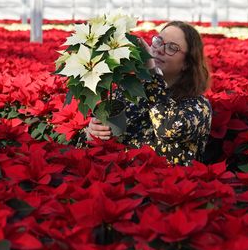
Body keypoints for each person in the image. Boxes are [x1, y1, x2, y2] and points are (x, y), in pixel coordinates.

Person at [84, 20, 212, 165]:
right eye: (158, 41)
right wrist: (91, 133)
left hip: (166, 183)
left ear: (187, 63)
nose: (158, 50)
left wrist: (152, 73)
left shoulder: (199, 106)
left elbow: (167, 130)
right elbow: (109, 136)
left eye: (171, 47)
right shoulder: (131, 92)